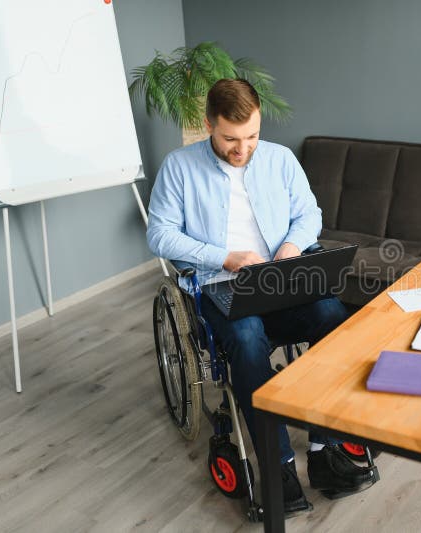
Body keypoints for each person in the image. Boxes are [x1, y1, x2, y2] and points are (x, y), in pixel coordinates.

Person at [146, 79, 375, 514]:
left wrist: (291, 247)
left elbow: (309, 214)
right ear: (209, 125)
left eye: (252, 136)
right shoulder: (179, 167)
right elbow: (159, 234)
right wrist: (226, 257)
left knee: (334, 315)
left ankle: (325, 450)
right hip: (220, 284)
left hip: (282, 276)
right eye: (231, 138)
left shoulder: (280, 158)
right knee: (248, 340)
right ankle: (279, 463)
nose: (243, 148)